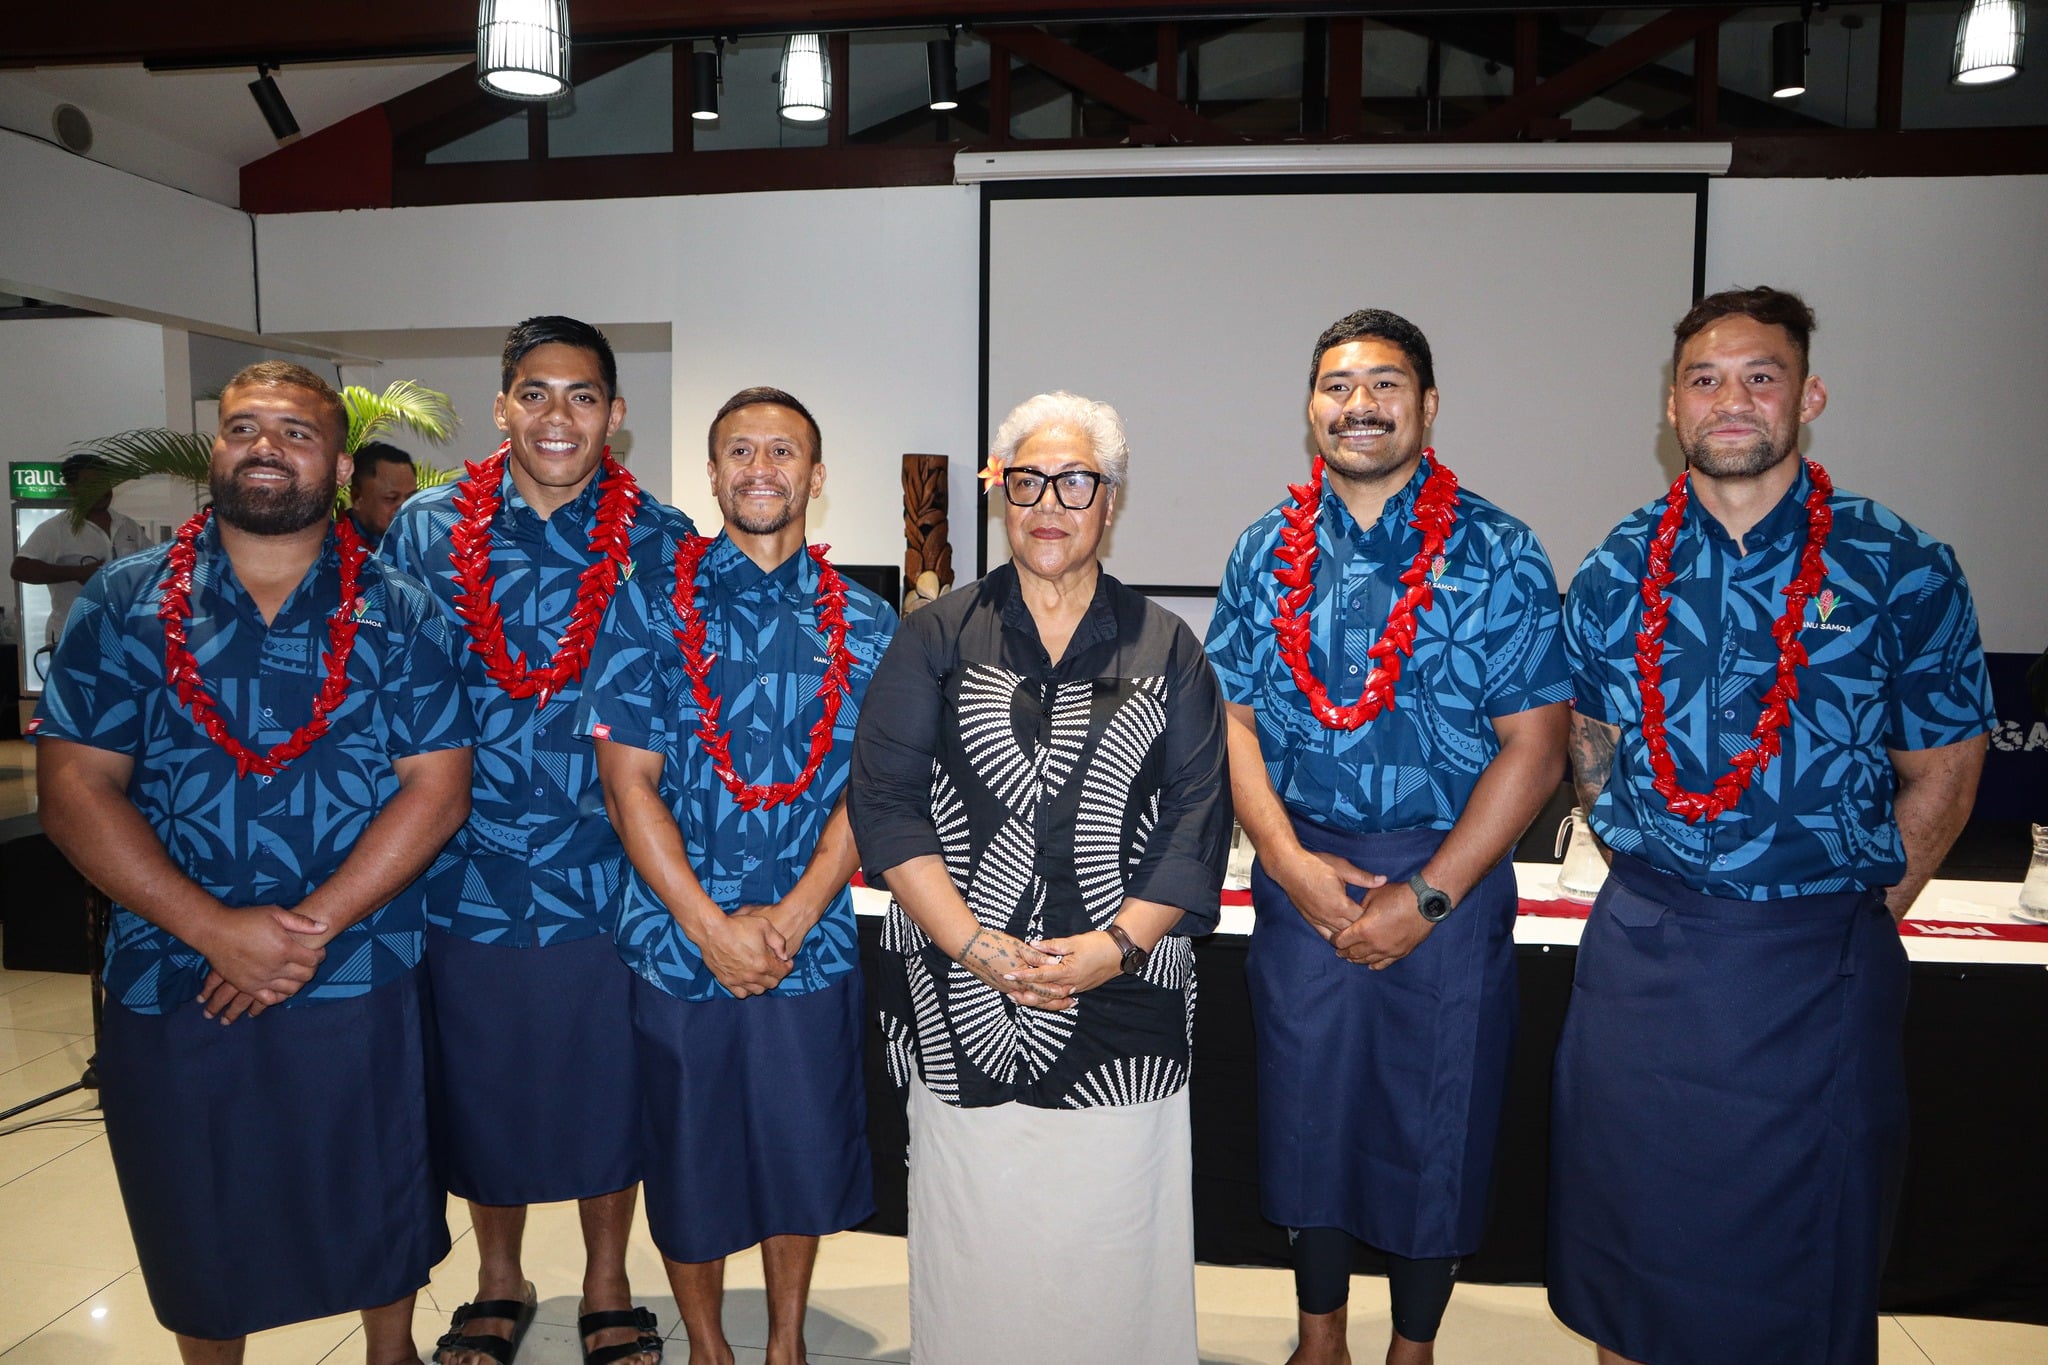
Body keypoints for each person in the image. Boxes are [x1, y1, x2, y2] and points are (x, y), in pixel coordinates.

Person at [1549, 286, 1995, 1365]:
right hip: (1644, 955)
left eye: (1761, 376)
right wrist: (1665, 877)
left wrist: (1850, 911)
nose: (1732, 400)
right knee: (1630, 1242)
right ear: (1671, 407)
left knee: (1800, 1261)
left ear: (1809, 394)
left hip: (1814, 967)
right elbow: (1588, 756)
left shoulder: (1898, 566)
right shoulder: (1615, 570)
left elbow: (1942, 772)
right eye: (1705, 379)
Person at [27, 361, 475, 1365]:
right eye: (244, 429)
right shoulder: (124, 603)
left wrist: (303, 931)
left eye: (295, 432)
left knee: (377, 1192)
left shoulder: (400, 608)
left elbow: (436, 789)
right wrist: (214, 930)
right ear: (217, 452)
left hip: (358, 962)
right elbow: (74, 790)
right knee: (198, 1201)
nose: (266, 447)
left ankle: (389, 1353)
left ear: (340, 463)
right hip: (172, 971)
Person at [1203, 310, 1571, 1365]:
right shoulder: (1261, 549)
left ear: (1427, 404)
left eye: (1383, 383)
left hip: (1446, 878)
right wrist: (1285, 863)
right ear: (1309, 406)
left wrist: (1429, 894)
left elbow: (1535, 746)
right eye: (1334, 384)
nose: (1356, 404)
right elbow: (1230, 721)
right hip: (1299, 872)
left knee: (1435, 1124)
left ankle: (1412, 1348)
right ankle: (1318, 1341)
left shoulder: (1495, 549)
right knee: (1304, 1111)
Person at [849, 391, 1231, 1365]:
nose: (1048, 502)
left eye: (1074, 482)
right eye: (1026, 482)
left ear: (1110, 501)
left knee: (1111, 1248)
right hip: (962, 993)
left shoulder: (1165, 647)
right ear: (999, 497)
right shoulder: (935, 636)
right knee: (979, 1240)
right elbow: (885, 807)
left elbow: (1197, 818)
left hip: (1122, 1001)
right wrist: (972, 945)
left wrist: (1113, 947)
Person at [383, 317, 694, 1365]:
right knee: (481, 1084)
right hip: (461, 871)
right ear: (501, 406)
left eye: (581, 396)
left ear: (616, 414)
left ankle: (607, 1281)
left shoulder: (664, 537)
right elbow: (384, 698)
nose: (557, 416)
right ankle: (498, 1279)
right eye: (535, 393)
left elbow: (688, 714)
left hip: (611, 872)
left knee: (609, 1086)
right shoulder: (425, 532)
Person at [580, 386, 897, 1365]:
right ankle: (711, 1347)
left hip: (809, 941)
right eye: (740, 453)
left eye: (782, 452)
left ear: (815, 475)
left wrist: (797, 915)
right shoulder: (644, 604)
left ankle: (787, 1341)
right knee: (690, 1157)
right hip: (677, 946)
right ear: (712, 474)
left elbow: (867, 793)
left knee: (799, 1151)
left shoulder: (870, 622)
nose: (761, 470)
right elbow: (626, 782)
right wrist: (710, 925)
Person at [11, 451, 150, 643]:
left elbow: (153, 564)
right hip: (74, 638)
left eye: (104, 482)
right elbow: (20, 569)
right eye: (91, 485)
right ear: (72, 488)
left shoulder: (128, 526)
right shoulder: (56, 528)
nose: (100, 490)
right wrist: (77, 573)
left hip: (122, 637)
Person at [346, 439, 418, 549]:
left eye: (411, 498)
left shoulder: (421, 545)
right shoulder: (328, 551)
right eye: (391, 498)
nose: (404, 508)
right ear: (357, 498)